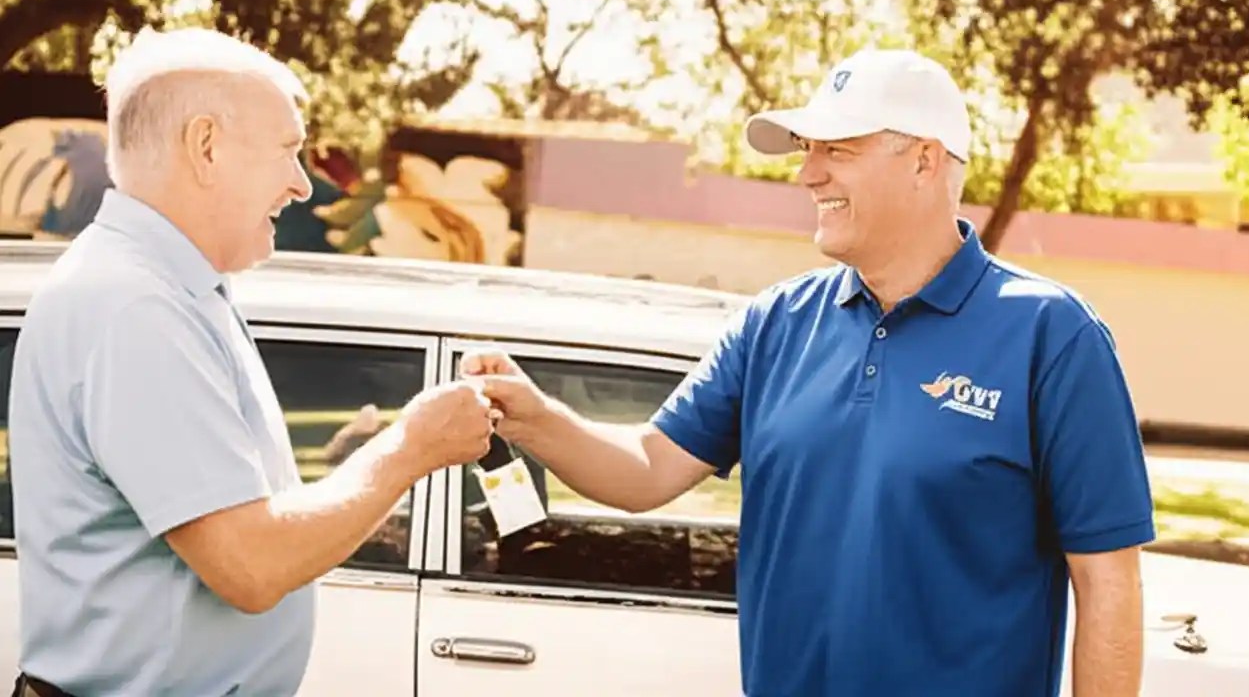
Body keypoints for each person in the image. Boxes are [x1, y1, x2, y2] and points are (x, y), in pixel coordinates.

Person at [462, 48, 1154, 697]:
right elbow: (647, 470)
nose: (807, 173)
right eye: (807, 151)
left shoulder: (1052, 335)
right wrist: (538, 419)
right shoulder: (776, 323)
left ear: (923, 160)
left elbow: (1108, 581)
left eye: (837, 151)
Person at [7, 28, 494, 697]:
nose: (302, 186)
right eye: (289, 151)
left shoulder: (168, 289)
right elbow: (250, 567)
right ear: (206, 146)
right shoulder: (135, 306)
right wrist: (408, 450)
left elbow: (242, 521)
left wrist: (351, 471)